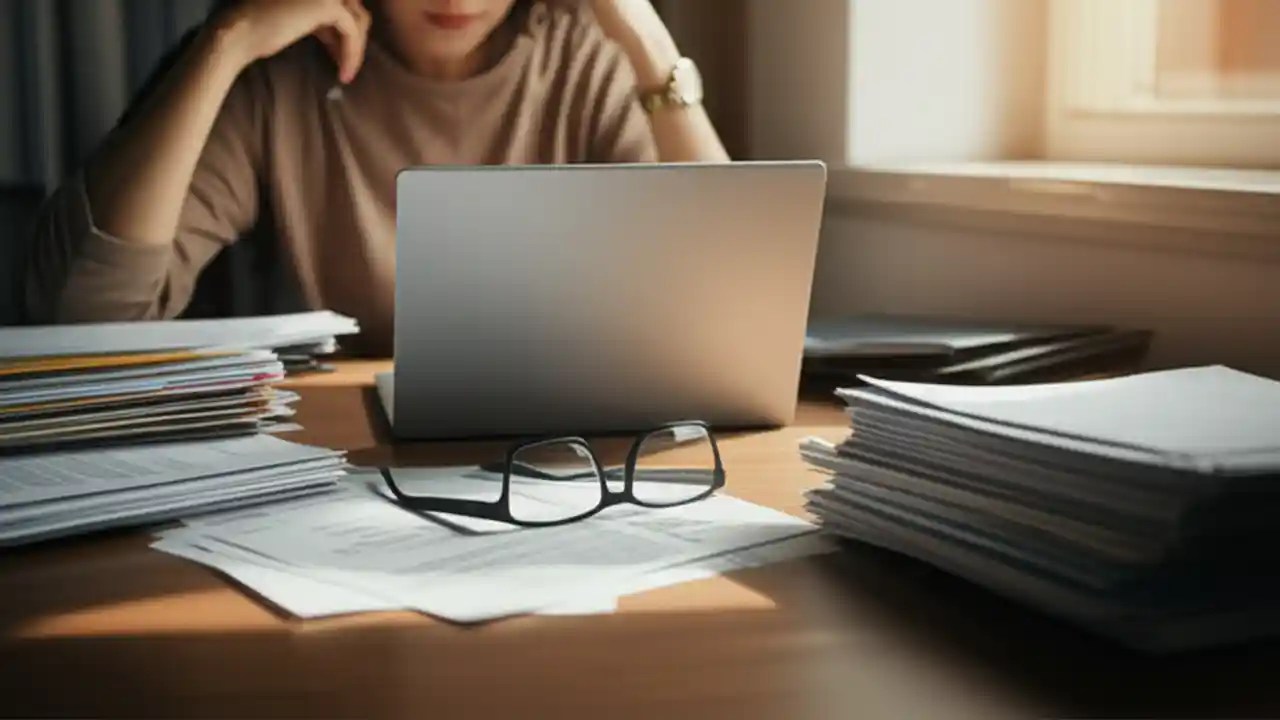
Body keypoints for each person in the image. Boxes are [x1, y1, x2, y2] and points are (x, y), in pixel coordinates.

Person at [25, 0, 728, 354]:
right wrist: (227, 40)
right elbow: (82, 322)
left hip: (565, 471)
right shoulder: (280, 73)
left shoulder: (586, 54)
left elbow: (727, 319)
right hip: (338, 472)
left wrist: (647, 38)